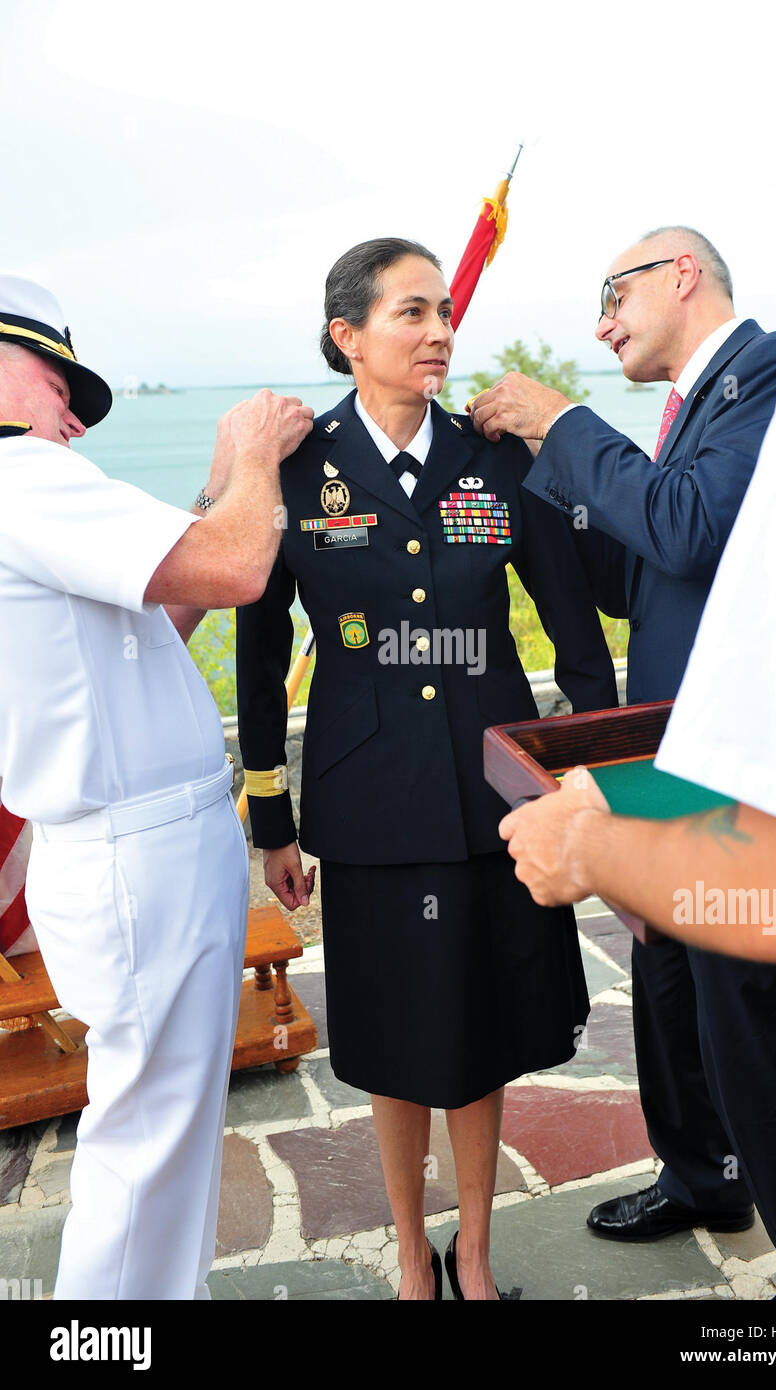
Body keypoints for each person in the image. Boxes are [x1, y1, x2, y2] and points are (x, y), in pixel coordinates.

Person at [235, 237, 618, 1300]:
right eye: (411, 312)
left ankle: (478, 1252)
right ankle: (413, 1252)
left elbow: (573, 630)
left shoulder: (498, 459)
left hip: (496, 796)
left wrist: (600, 774)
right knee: (394, 1029)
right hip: (369, 800)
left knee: (484, 1024)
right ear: (346, 337)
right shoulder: (299, 471)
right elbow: (261, 659)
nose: (441, 329)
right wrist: (273, 818)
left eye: (444, 309)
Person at [469, 227, 776, 1300]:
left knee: (744, 1001)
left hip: (751, 760)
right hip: (676, 749)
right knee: (671, 981)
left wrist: (565, 422)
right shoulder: (683, 418)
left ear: (682, 274)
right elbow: (637, 578)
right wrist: (535, 472)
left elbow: (685, 528)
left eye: (612, 293)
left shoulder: (771, 372)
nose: (600, 322)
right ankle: (705, 1172)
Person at [0, 274, 313, 1299]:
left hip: (123, 849)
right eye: (62, 387)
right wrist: (255, 454)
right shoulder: (20, 480)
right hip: (138, 854)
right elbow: (235, 569)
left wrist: (217, 489)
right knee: (146, 1144)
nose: (75, 422)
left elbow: (159, 619)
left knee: (159, 1132)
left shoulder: (29, 495)